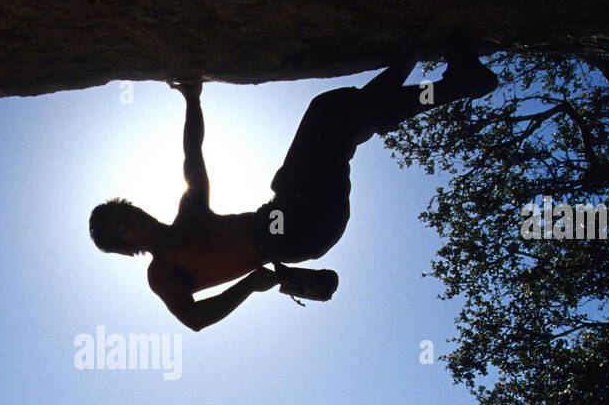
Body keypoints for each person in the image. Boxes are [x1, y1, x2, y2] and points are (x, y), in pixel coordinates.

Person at [89, 39, 497, 330]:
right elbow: (194, 320)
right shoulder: (161, 272)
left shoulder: (188, 213)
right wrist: (249, 283)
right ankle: (443, 78)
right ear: (125, 247)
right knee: (328, 120)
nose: (131, 215)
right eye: (121, 224)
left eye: (124, 209)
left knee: (336, 120)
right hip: (290, 233)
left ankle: (415, 74)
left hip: (301, 217)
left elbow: (192, 157)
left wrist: (193, 100)